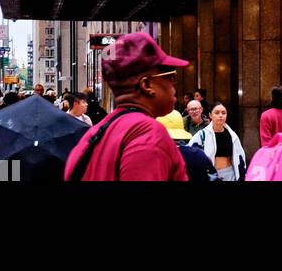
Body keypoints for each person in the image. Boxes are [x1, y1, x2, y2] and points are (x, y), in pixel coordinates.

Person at [63, 32, 190, 182]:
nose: (173, 85)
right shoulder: (148, 134)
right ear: (147, 85)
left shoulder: (93, 135)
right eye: (170, 76)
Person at [189, 101, 247, 180]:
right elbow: (190, 154)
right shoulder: (202, 135)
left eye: (223, 113)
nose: (220, 115)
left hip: (230, 174)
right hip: (211, 175)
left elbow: (240, 156)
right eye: (217, 113)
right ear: (210, 115)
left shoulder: (232, 135)